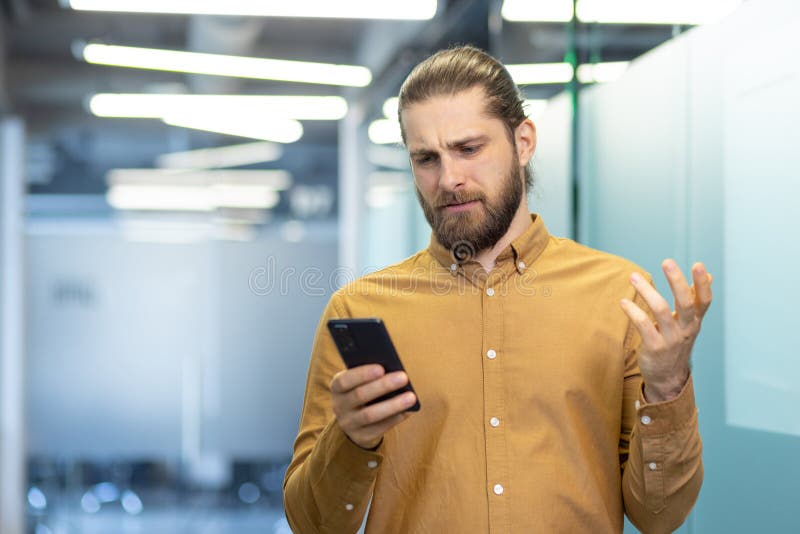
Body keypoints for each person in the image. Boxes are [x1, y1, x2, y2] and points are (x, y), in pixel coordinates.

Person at [283, 45, 712, 533]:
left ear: (523, 141)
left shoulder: (621, 299)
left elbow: (661, 516)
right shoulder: (360, 309)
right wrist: (351, 440)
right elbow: (311, 525)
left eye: (469, 148)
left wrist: (667, 388)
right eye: (426, 158)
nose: (449, 179)